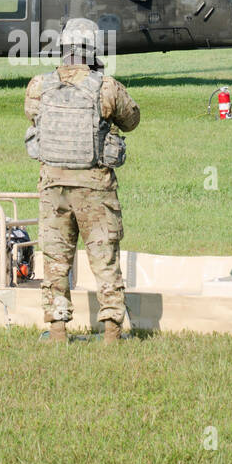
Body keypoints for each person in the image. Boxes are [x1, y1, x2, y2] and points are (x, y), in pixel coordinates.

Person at [24, 18, 139, 344]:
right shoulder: (106, 87)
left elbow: (33, 116)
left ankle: (58, 330)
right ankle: (112, 332)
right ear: (94, 49)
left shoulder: (39, 85)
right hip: (95, 188)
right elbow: (131, 120)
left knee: (56, 261)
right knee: (104, 261)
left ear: (63, 49)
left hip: (53, 188)